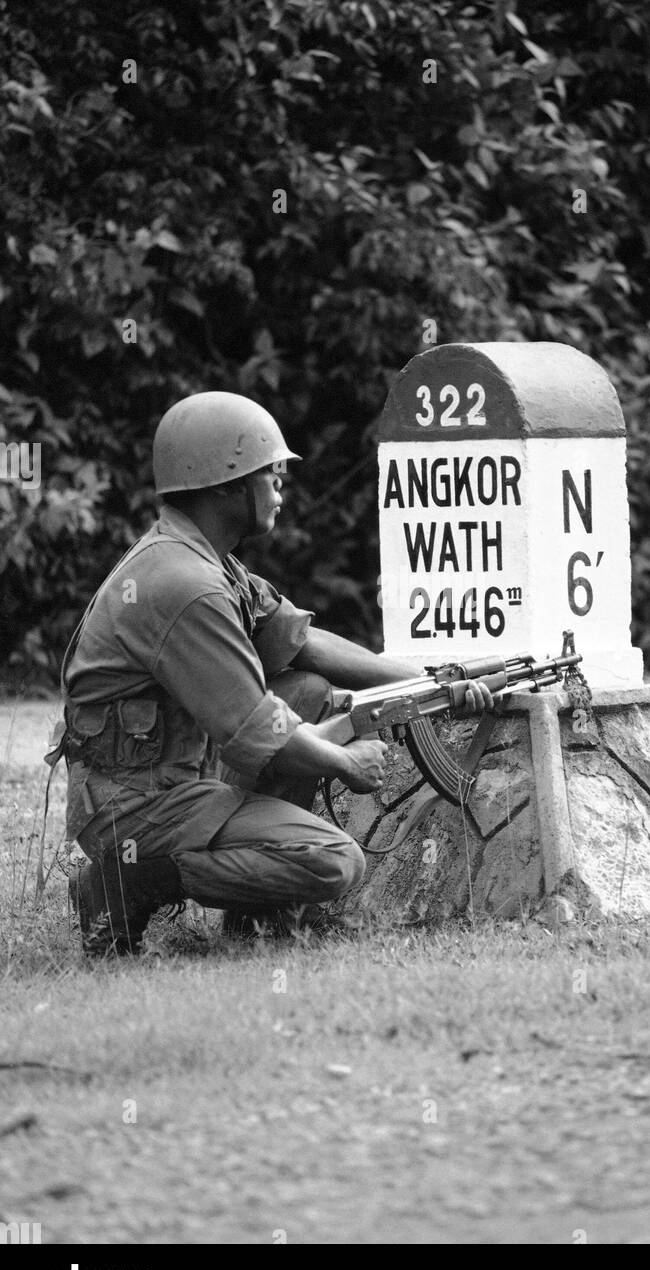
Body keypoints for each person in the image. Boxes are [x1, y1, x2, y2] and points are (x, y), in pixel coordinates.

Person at [57, 391, 493, 957]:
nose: (281, 487)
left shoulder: (207, 560)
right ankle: (125, 880)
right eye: (271, 474)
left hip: (175, 777)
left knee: (307, 693)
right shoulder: (186, 587)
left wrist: (434, 682)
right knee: (334, 862)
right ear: (226, 486)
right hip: (135, 809)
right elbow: (257, 736)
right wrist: (346, 760)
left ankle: (254, 918)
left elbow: (303, 642)